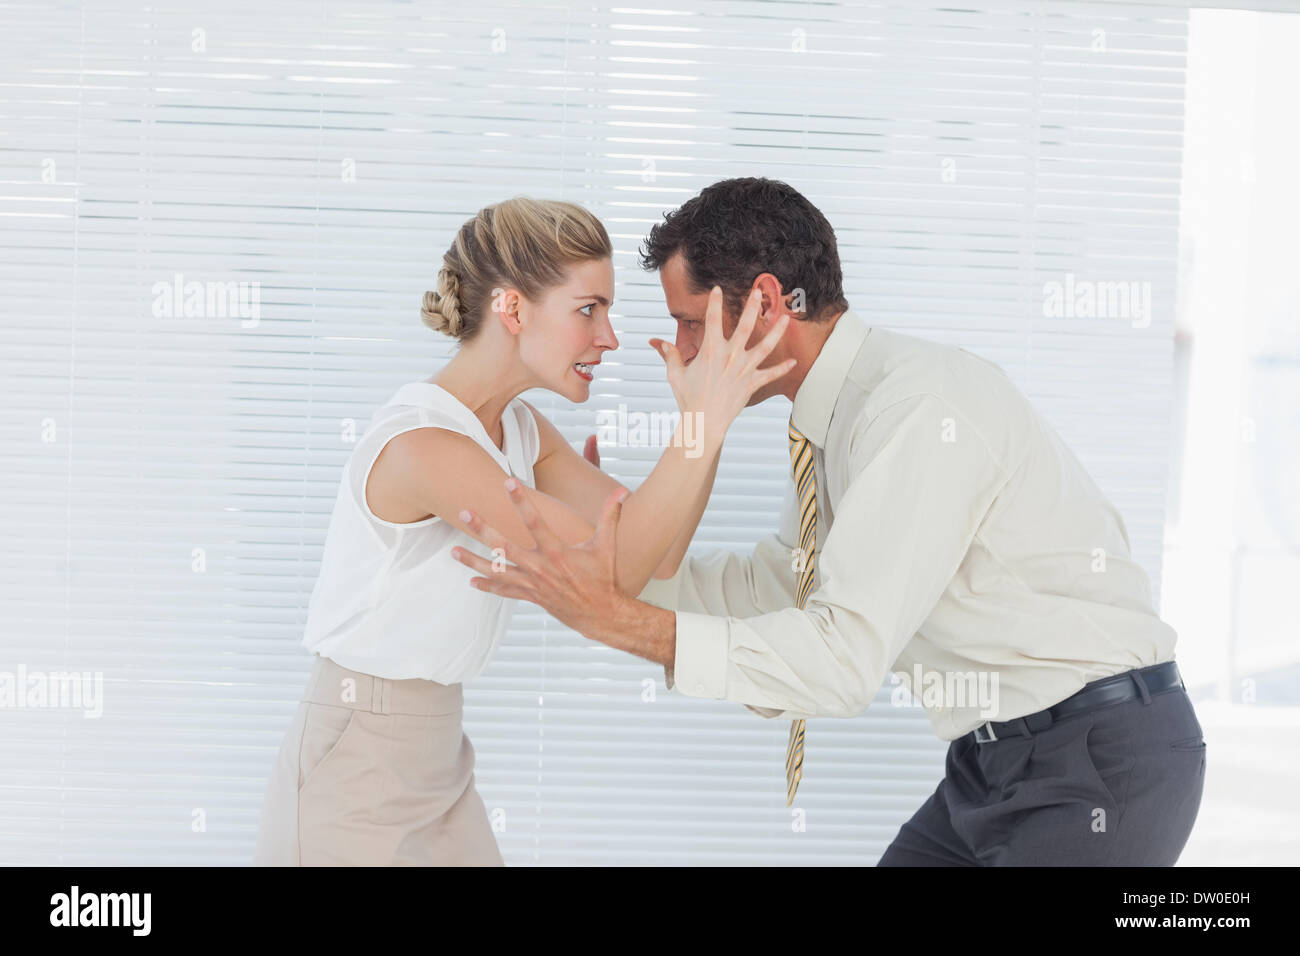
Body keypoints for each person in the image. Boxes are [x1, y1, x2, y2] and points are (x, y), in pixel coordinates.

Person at [452, 177, 1207, 866]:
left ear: (769, 305)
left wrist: (618, 622)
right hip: (992, 763)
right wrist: (625, 545)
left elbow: (842, 660)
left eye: (689, 324)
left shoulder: (914, 409)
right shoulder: (832, 417)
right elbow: (782, 586)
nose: (677, 351)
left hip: (1097, 760)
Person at [252, 196, 792, 865]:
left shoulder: (520, 433)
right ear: (512, 309)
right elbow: (613, 569)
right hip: (356, 760)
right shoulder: (424, 447)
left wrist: (706, 422)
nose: (609, 336)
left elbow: (659, 555)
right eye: (588, 309)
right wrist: (702, 424)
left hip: (440, 754)